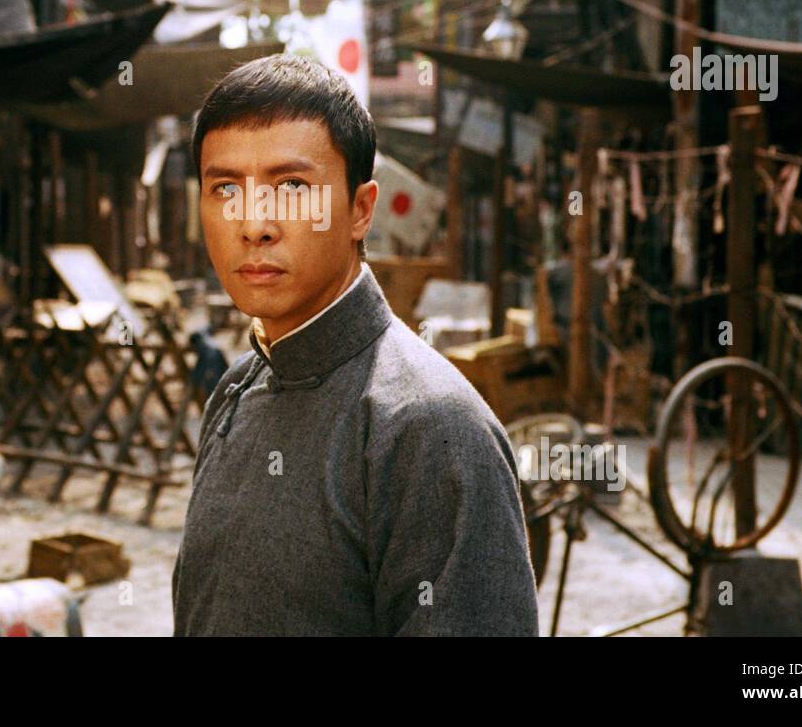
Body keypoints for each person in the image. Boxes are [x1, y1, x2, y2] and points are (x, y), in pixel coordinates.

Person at [171, 53, 539, 636]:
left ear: (360, 210)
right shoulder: (235, 389)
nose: (254, 224)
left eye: (292, 187)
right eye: (225, 189)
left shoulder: (429, 426)